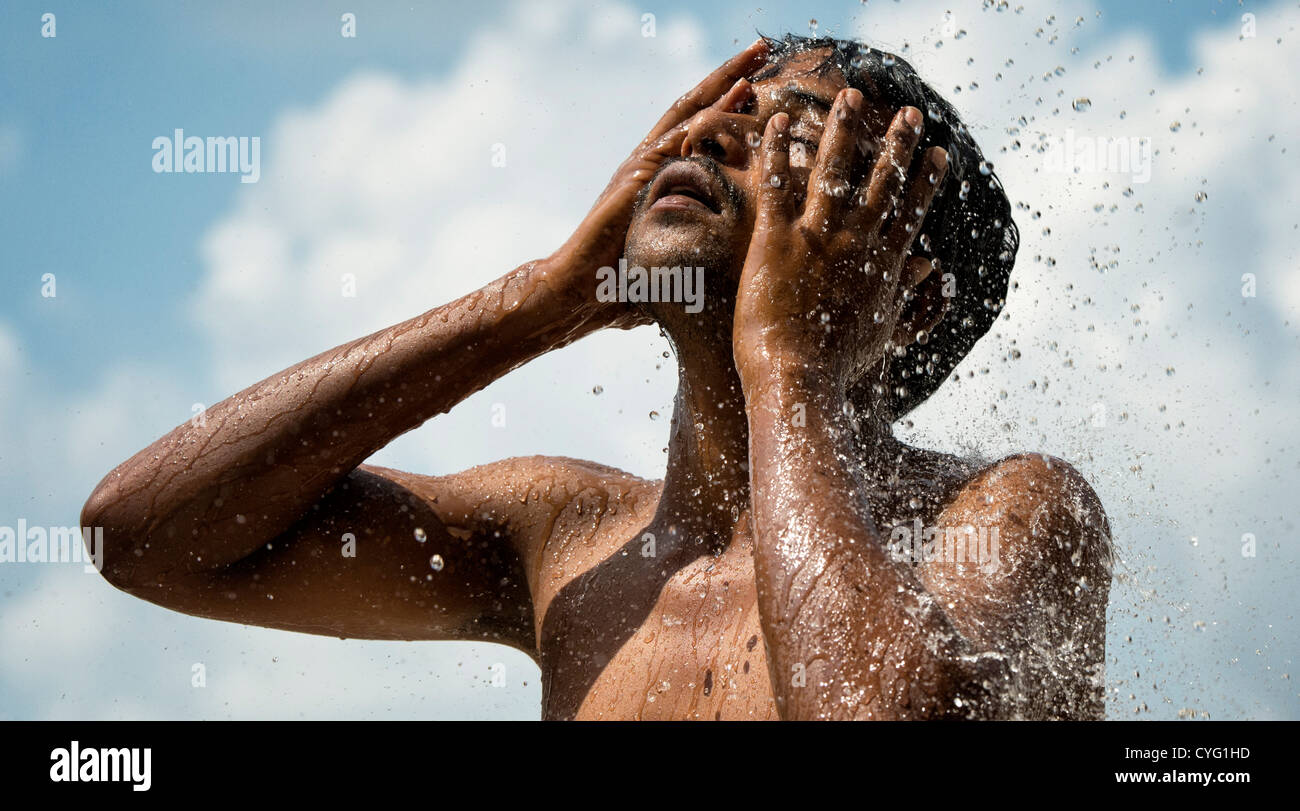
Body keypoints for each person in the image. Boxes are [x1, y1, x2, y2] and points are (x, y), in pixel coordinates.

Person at [82, 35, 1112, 720]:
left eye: (782, 138)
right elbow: (141, 535)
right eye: (718, 114)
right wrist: (536, 302)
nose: (709, 134)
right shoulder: (561, 536)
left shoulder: (1009, 511)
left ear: (906, 296)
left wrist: (790, 368)